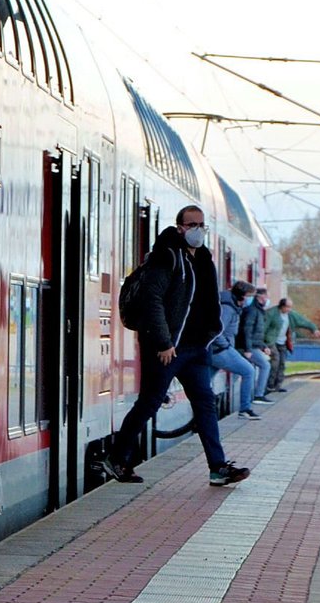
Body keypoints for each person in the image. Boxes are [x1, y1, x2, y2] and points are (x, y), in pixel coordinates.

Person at [104, 205, 250, 486]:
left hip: (197, 346)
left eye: (201, 224)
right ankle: (117, 457)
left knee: (205, 403)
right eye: (191, 224)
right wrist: (163, 341)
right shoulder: (166, 255)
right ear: (180, 226)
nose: (197, 230)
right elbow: (152, 299)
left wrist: (209, 335)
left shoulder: (204, 258)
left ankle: (218, 468)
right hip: (168, 347)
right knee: (150, 402)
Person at [206, 280, 262, 418]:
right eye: (250, 295)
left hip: (216, 350)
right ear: (242, 296)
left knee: (205, 381)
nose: (251, 299)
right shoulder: (227, 308)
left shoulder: (231, 306)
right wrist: (225, 345)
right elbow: (217, 330)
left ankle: (203, 412)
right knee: (248, 371)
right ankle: (245, 409)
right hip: (220, 350)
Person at [263, 296, 320, 391]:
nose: (289, 309)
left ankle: (277, 385)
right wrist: (262, 342)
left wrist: (313, 328)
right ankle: (269, 385)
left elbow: (303, 321)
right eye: (287, 307)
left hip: (283, 342)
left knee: (282, 364)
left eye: (290, 307)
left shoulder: (291, 315)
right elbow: (264, 327)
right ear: (282, 306)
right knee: (275, 361)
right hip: (271, 341)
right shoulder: (271, 313)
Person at [239, 283, 272, 406]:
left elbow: (256, 333)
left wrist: (264, 346)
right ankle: (258, 395)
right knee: (265, 366)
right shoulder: (253, 311)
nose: (268, 300)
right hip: (249, 347)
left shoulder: (257, 310)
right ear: (261, 297)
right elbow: (247, 330)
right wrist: (247, 349)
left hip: (253, 345)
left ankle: (256, 395)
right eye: (267, 297)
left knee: (255, 368)